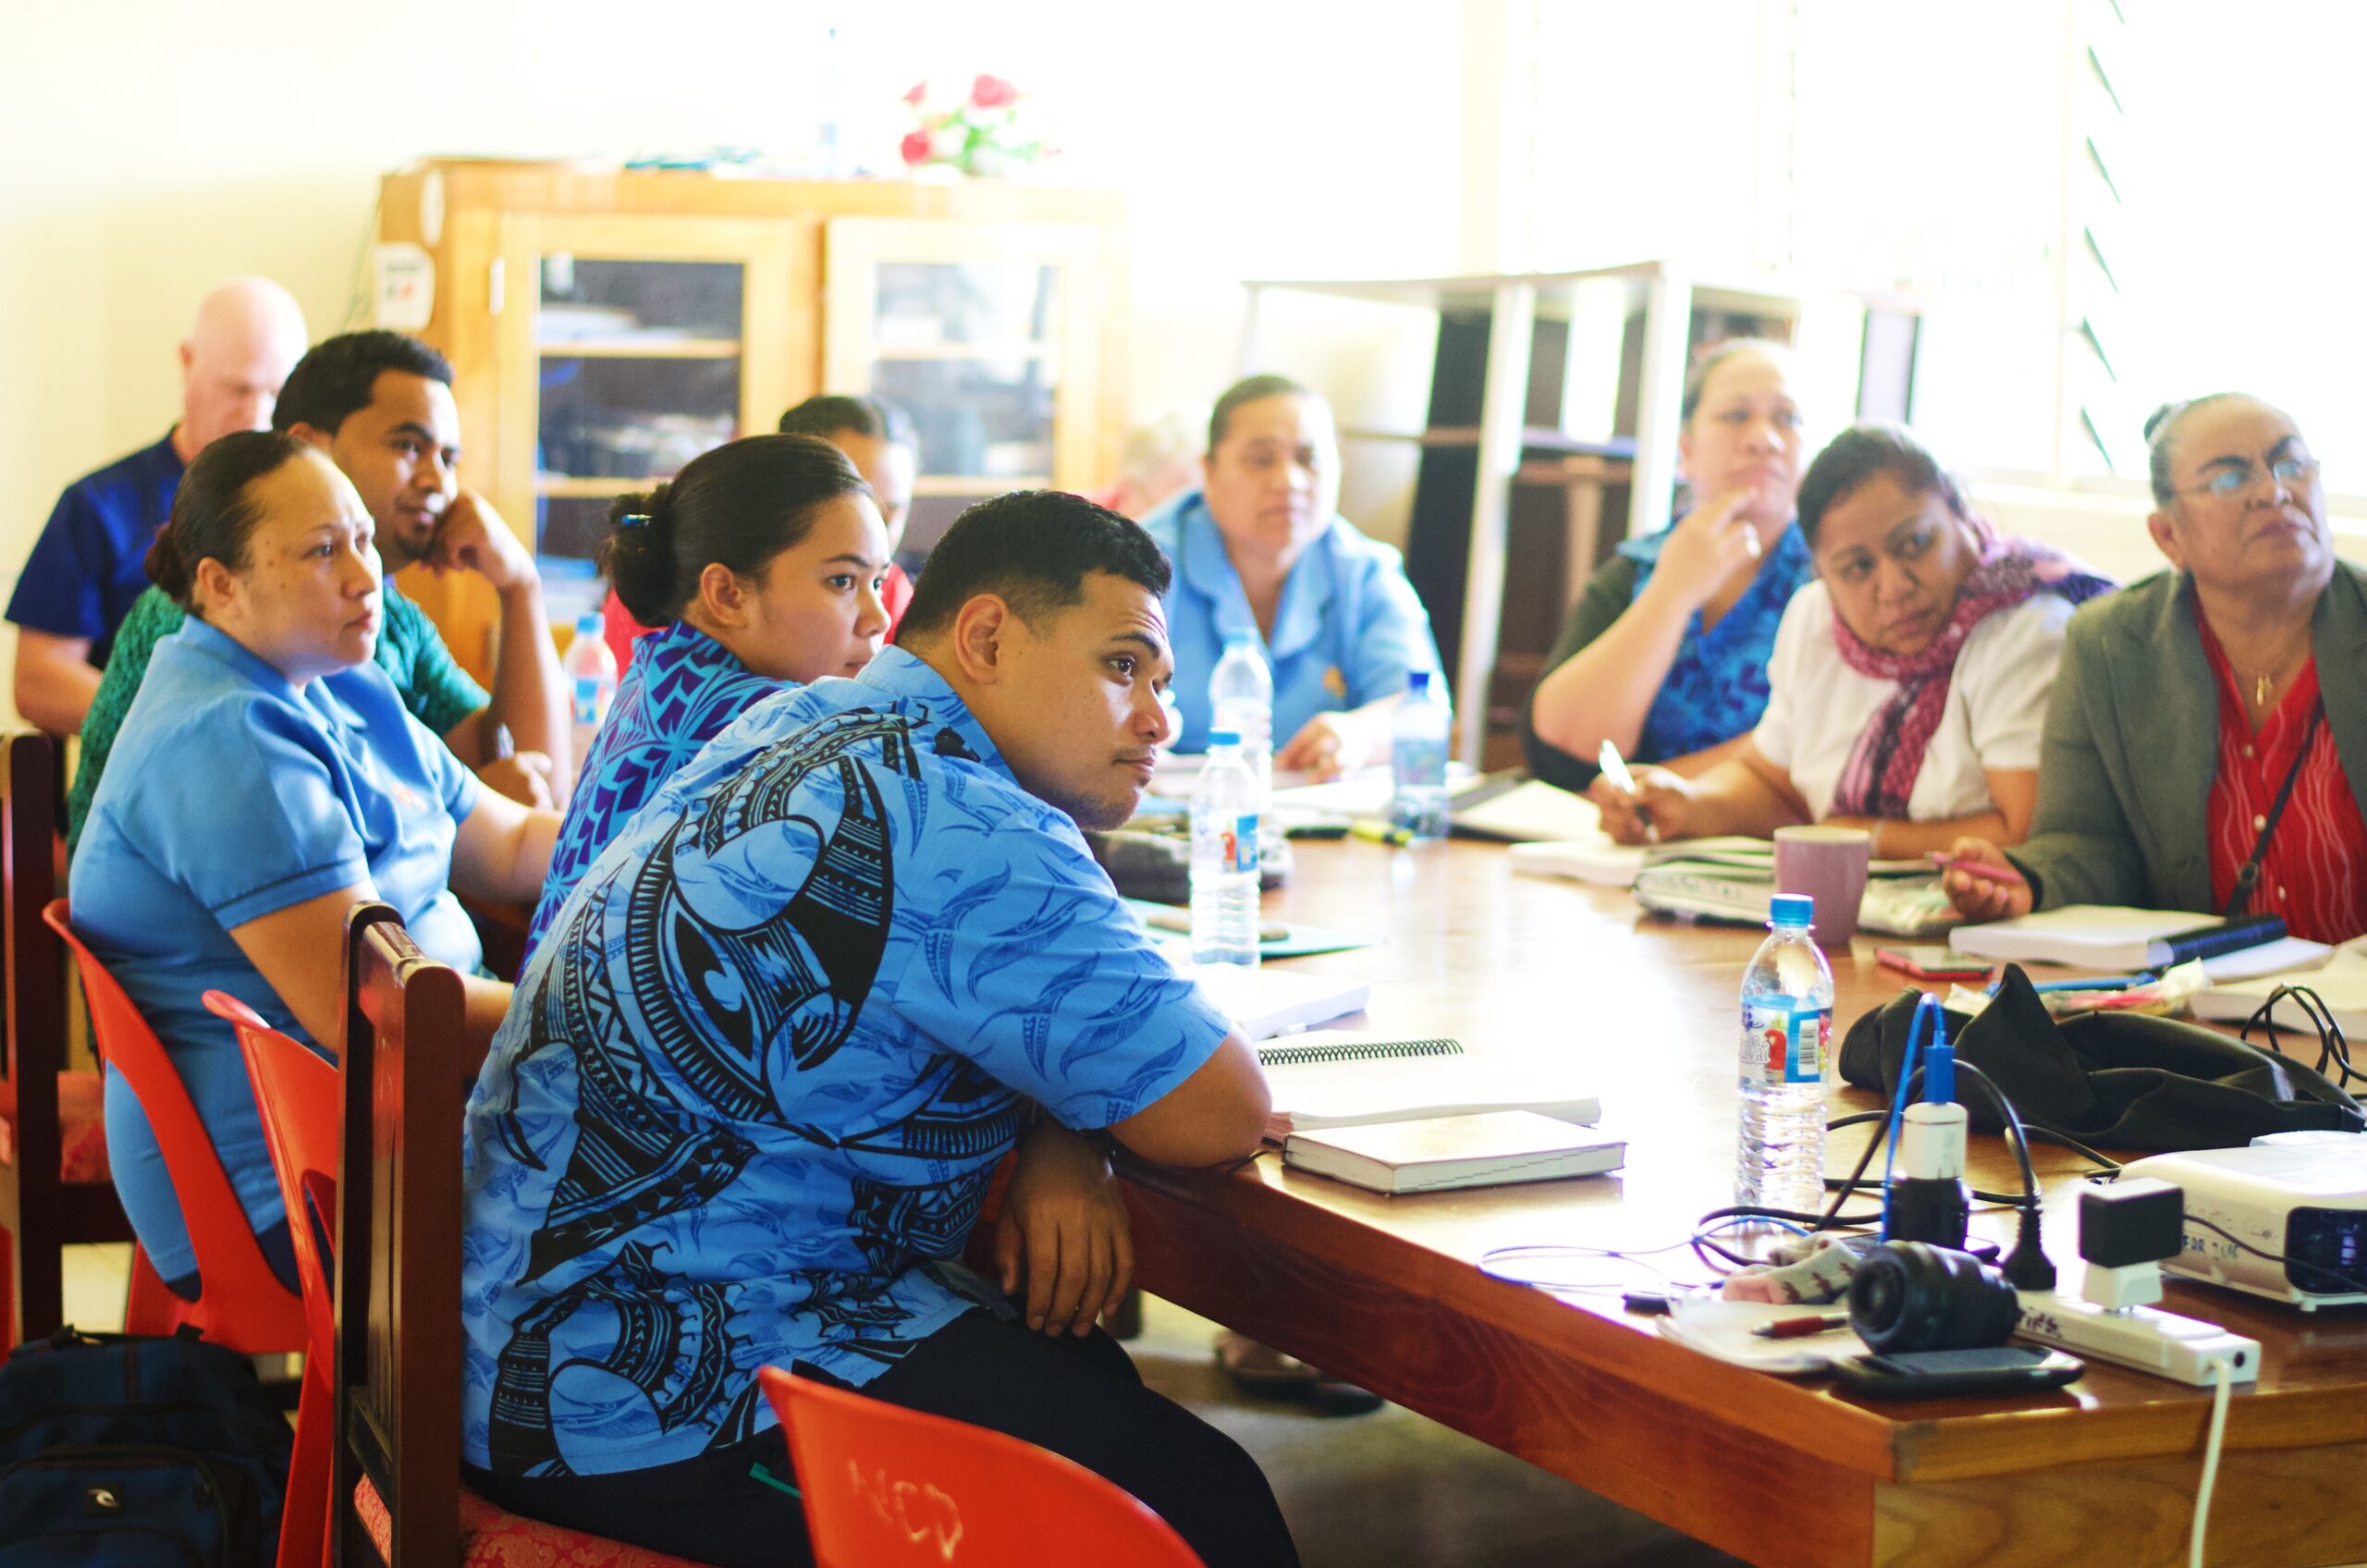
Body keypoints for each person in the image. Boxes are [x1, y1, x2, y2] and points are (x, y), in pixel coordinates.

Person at [459, 491, 1294, 1568]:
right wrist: (1076, 1117)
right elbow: (1223, 1112)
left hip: (517, 1339)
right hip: (647, 1410)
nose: (1158, 719)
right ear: (986, 635)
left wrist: (1062, 1129)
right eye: (1123, 667)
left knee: (1087, 1383)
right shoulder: (965, 816)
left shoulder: (796, 718)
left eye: (1163, 682)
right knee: (1199, 1511)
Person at [69, 431, 558, 1300]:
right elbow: (376, 1014)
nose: (366, 577)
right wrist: (596, 1018)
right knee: (684, 1198)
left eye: (364, 540)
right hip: (294, 1183)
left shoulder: (334, 673)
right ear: (220, 585)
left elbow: (513, 847)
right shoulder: (225, 735)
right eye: (324, 551)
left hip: (397, 1119)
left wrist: (661, 846)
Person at [67, 331, 569, 855]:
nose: (437, 481)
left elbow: (533, 781)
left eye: (448, 458)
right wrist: (469, 812)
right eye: (408, 446)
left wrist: (520, 587)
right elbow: (287, 821)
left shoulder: (392, 622)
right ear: (309, 447)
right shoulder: (216, 609)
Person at [1945, 396, 2367, 942]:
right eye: (2230, 479)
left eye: (2290, 466)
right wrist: (2028, 879)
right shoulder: (2109, 645)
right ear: (2168, 535)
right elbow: (2088, 843)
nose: (2273, 491)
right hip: (2204, 1004)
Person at [1595, 423, 2113, 857]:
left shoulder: (2023, 624)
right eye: (1857, 568)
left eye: (1915, 544)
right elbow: (1777, 786)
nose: (1894, 587)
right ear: (1821, 573)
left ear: (1958, 513)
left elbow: (2025, 834)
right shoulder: (1816, 620)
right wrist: (1688, 805)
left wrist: (1866, 839)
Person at [526, 434, 891, 949]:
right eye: (842, 581)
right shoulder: (770, 723)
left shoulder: (663, 667)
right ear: (727, 594)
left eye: (878, 582)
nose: (878, 619)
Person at [11, 277, 307, 734]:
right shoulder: (97, 507)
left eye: (276, 394)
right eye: (238, 389)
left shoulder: (311, 506)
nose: (257, 416)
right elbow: (39, 678)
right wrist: (181, 723)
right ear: (187, 362)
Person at [1525, 339, 1814, 789]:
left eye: (1787, 418)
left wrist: (1659, 790)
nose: (1764, 439)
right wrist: (1672, 591)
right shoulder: (1636, 569)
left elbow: (1819, 743)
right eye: (1736, 415)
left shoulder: (1833, 579)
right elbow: (1564, 748)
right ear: (1686, 447)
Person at [1139, 374, 1445, 778]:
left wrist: (1357, 734)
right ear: (1209, 472)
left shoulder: (1363, 570)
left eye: (1309, 459)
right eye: (1262, 460)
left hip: (1319, 820)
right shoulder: (1140, 563)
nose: (1289, 481)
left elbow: (1423, 709)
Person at [597, 395, 920, 670]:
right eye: (841, 581)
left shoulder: (892, 593)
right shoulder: (662, 583)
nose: (879, 619)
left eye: (891, 510)